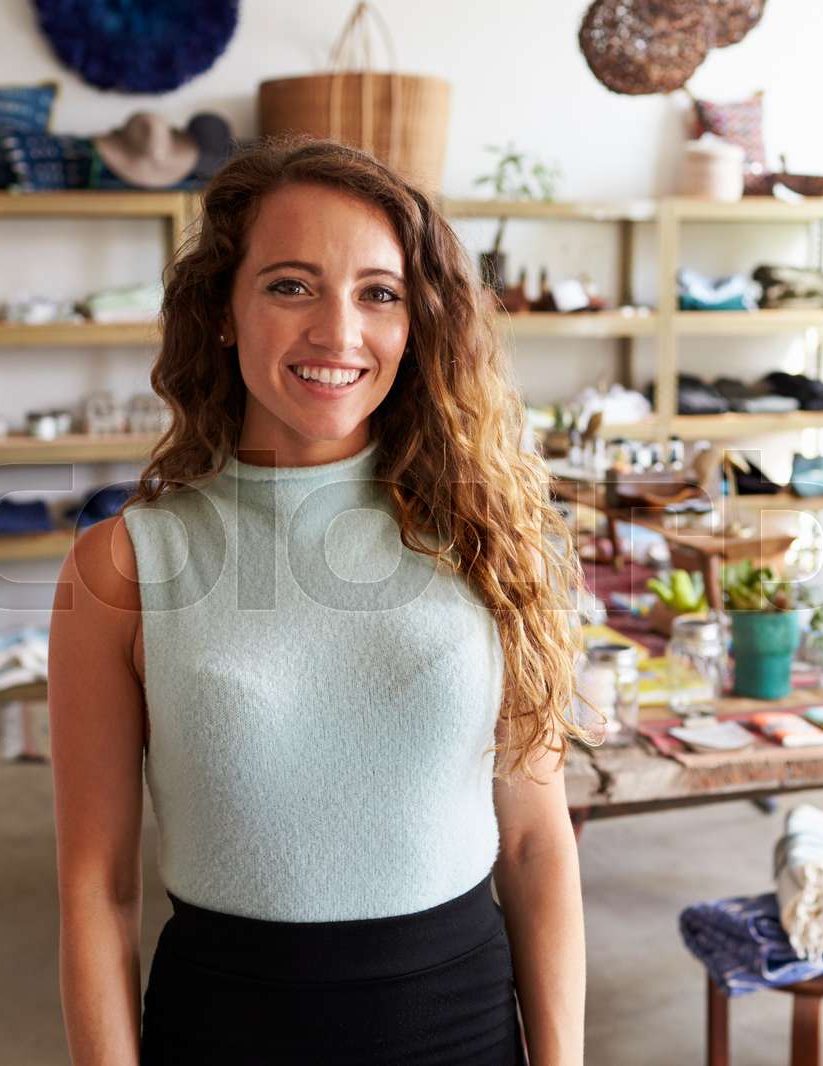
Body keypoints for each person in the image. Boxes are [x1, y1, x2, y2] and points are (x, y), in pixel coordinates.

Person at [48, 137, 592, 1065]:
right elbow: (97, 891)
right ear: (223, 309)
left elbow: (537, 847)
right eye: (291, 285)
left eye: (378, 293)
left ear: (416, 322)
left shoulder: (492, 540)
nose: (339, 333)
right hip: (223, 1030)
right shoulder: (123, 568)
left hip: (459, 1029)